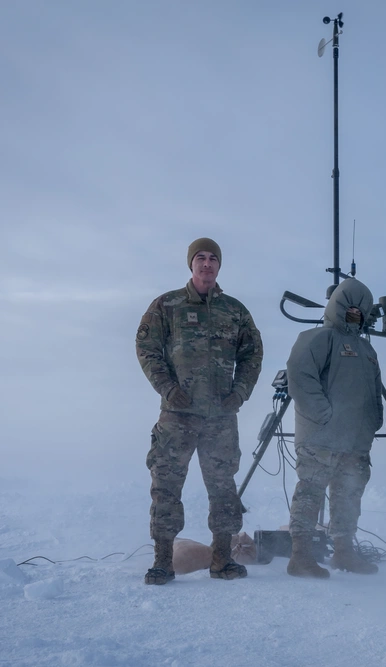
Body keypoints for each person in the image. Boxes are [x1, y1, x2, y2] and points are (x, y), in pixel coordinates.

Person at [135, 237, 263, 585]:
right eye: (200, 258)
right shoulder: (167, 305)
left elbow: (253, 354)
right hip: (177, 416)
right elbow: (147, 348)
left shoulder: (235, 311)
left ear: (219, 266)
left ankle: (222, 560)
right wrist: (168, 388)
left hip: (221, 417)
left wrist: (239, 393)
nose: (207, 264)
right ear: (191, 264)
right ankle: (163, 561)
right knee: (166, 485)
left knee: (223, 488)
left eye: (213, 259)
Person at [285, 278, 384, 579]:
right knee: (311, 493)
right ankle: (300, 556)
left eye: (360, 308)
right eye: (349, 306)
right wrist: (323, 415)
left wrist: (374, 420)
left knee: (348, 495)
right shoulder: (317, 338)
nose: (354, 312)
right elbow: (300, 377)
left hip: (355, 440)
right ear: (336, 306)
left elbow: (374, 390)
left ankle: (344, 553)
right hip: (321, 437)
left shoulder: (367, 350)